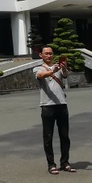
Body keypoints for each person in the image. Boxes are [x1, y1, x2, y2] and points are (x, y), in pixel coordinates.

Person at [33, 46, 76, 175]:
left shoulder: (58, 67)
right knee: (48, 136)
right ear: (41, 55)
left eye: (51, 54)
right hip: (47, 106)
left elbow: (66, 75)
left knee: (64, 136)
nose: (49, 56)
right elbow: (41, 75)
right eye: (46, 54)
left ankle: (65, 163)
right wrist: (53, 70)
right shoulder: (38, 68)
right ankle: (51, 164)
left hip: (62, 105)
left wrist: (63, 67)